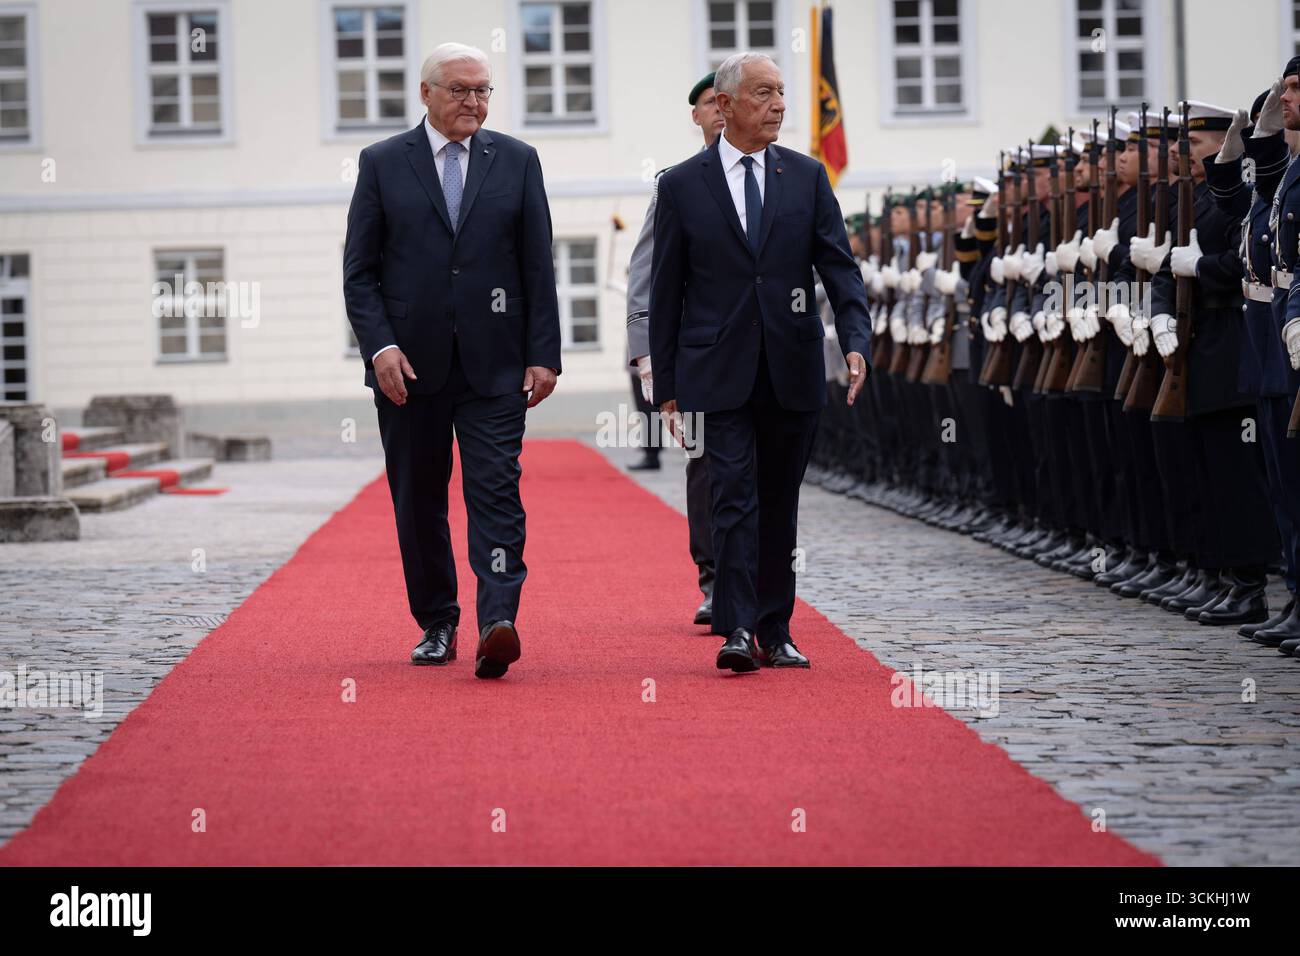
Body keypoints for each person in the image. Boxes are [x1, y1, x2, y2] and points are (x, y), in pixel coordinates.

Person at [342, 42, 561, 679]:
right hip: (408, 369)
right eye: (461, 90)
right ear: (427, 94)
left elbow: (537, 265)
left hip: (496, 366)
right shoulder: (382, 163)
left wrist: (543, 353)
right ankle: (438, 621)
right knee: (418, 501)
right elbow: (359, 274)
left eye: (484, 91)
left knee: (496, 492)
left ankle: (498, 621)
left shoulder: (518, 161)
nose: (474, 103)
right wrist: (380, 347)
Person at [648, 51, 871, 672]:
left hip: (791, 369)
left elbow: (839, 270)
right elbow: (667, 291)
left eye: (781, 92)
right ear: (724, 105)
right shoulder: (681, 184)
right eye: (764, 93)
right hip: (715, 372)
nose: (779, 105)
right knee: (733, 496)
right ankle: (738, 628)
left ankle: (776, 628)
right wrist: (666, 385)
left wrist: (856, 340)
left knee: (778, 501)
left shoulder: (806, 176)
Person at [625, 72, 723, 625]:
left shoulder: (782, 176)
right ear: (698, 115)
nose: (720, 111)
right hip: (695, 355)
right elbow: (645, 276)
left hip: (758, 351)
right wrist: (647, 358)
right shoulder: (676, 185)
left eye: (726, 101)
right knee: (706, 467)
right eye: (711, 103)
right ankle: (713, 580)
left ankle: (755, 579)